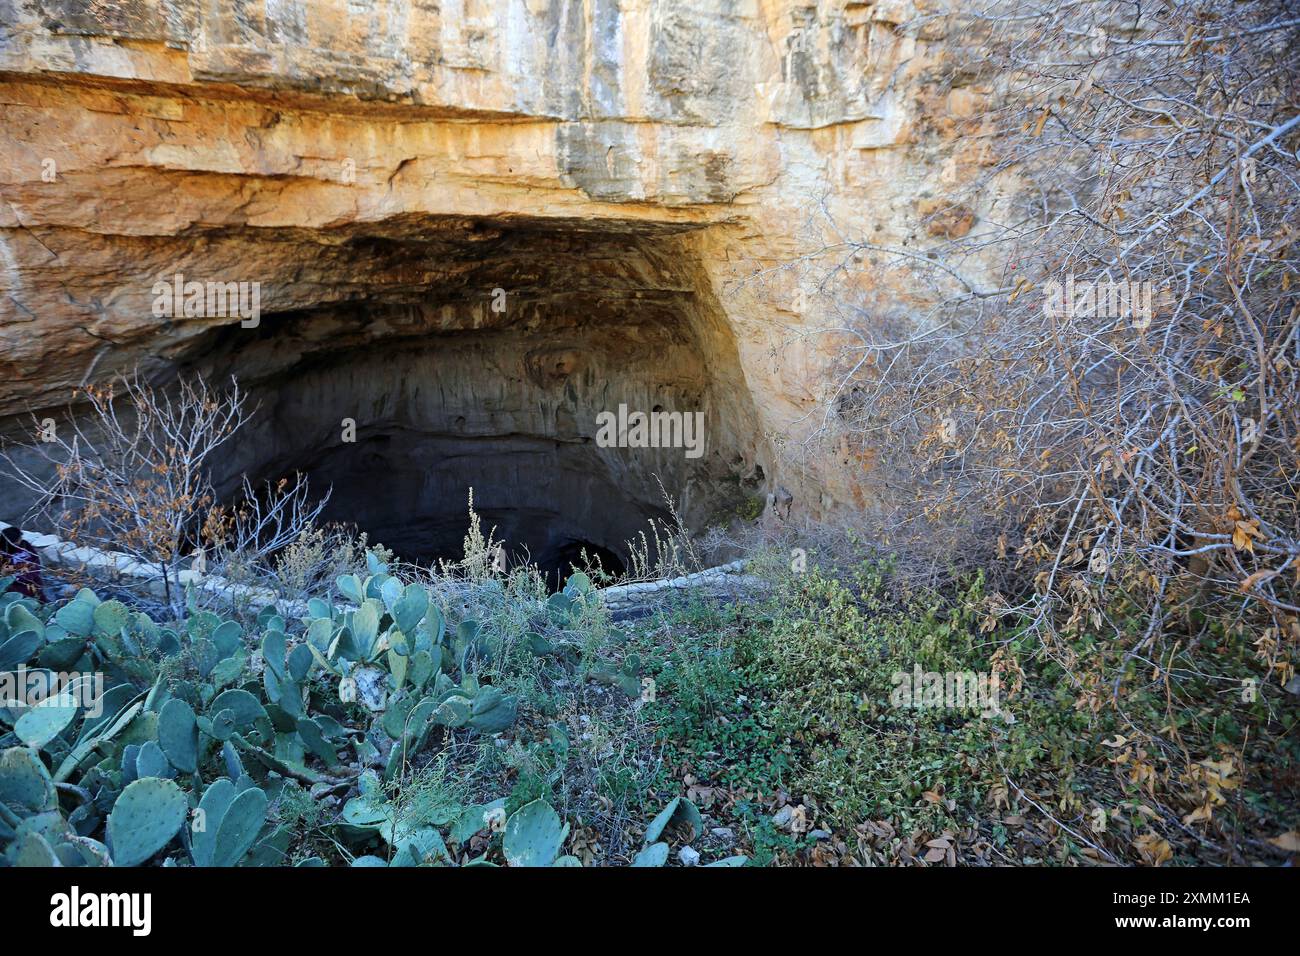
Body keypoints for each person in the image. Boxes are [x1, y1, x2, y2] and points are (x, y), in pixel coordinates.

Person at [0, 526, 44, 600]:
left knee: (40, 597)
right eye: (18, 539)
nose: (21, 539)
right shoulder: (2, 553)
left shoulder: (25, 544)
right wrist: (17, 577)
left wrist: (31, 573)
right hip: (15, 584)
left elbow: (35, 559)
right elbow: (4, 571)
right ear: (11, 541)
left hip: (33, 578)